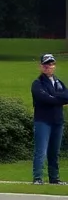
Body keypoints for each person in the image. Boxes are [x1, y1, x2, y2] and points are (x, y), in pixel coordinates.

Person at [31, 53, 68, 185]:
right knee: (41, 151)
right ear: (41, 66)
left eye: (51, 64)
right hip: (43, 120)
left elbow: (66, 96)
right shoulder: (37, 83)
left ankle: (54, 178)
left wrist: (54, 98)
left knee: (54, 152)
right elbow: (43, 98)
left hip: (57, 121)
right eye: (46, 64)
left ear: (54, 66)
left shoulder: (58, 82)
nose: (48, 67)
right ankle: (37, 178)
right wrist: (58, 99)